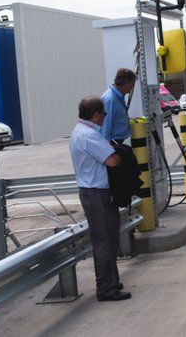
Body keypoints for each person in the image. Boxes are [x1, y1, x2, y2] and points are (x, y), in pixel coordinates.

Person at [70, 96, 131, 301]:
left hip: (91, 192)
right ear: (96, 114)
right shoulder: (90, 136)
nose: (105, 118)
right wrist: (121, 154)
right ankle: (106, 288)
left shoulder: (79, 132)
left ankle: (111, 281)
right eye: (103, 114)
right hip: (97, 193)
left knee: (106, 239)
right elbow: (113, 160)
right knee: (105, 241)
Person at [101, 68, 137, 145]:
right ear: (126, 83)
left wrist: (128, 119)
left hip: (117, 141)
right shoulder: (110, 99)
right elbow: (106, 125)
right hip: (112, 143)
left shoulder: (119, 95)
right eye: (132, 83)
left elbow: (116, 115)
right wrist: (108, 149)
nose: (133, 86)